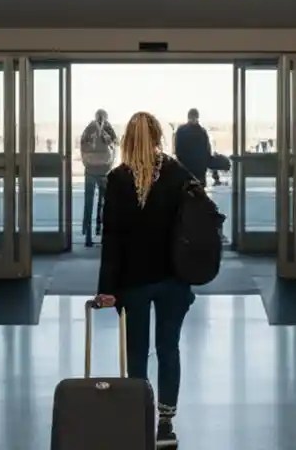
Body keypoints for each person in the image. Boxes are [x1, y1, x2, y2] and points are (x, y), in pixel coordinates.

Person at [95, 111, 195, 448]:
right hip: (173, 278)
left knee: (137, 352)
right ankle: (166, 423)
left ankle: (140, 416)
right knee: (168, 348)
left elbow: (112, 239)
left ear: (126, 140)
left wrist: (106, 289)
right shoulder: (177, 173)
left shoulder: (118, 179)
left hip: (132, 281)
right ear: (157, 137)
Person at [79, 109, 118, 247]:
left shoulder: (89, 128)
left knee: (88, 204)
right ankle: (100, 231)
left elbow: (82, 145)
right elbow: (116, 144)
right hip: (104, 171)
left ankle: (88, 236)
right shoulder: (108, 128)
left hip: (90, 170)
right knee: (104, 203)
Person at [173, 109, 212, 187]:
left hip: (194, 168)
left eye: (195, 117)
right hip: (191, 167)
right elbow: (178, 148)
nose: (194, 119)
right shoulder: (201, 131)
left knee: (192, 189)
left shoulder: (183, 130)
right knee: (192, 189)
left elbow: (207, 149)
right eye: (192, 117)